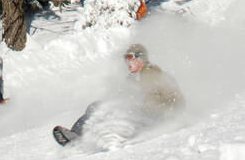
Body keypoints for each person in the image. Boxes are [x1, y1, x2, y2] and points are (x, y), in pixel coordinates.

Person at [53, 42, 184, 147]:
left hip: (155, 116)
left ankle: (77, 136)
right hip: (142, 114)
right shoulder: (133, 78)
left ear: (140, 58)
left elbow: (176, 98)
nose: (127, 62)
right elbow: (121, 98)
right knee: (98, 107)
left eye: (129, 58)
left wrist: (168, 112)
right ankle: (81, 136)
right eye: (125, 59)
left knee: (102, 108)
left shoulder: (153, 73)